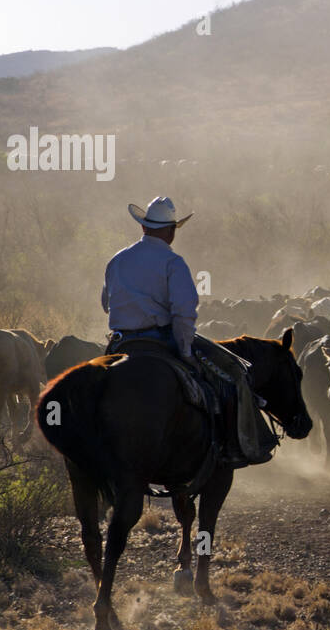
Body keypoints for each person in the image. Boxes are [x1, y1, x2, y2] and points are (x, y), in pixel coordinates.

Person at [101, 196, 274, 467]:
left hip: (121, 343)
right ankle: (235, 447)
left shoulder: (117, 260)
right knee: (234, 372)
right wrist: (185, 351)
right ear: (171, 232)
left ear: (143, 227)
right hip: (162, 339)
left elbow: (105, 304)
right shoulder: (173, 263)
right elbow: (184, 313)